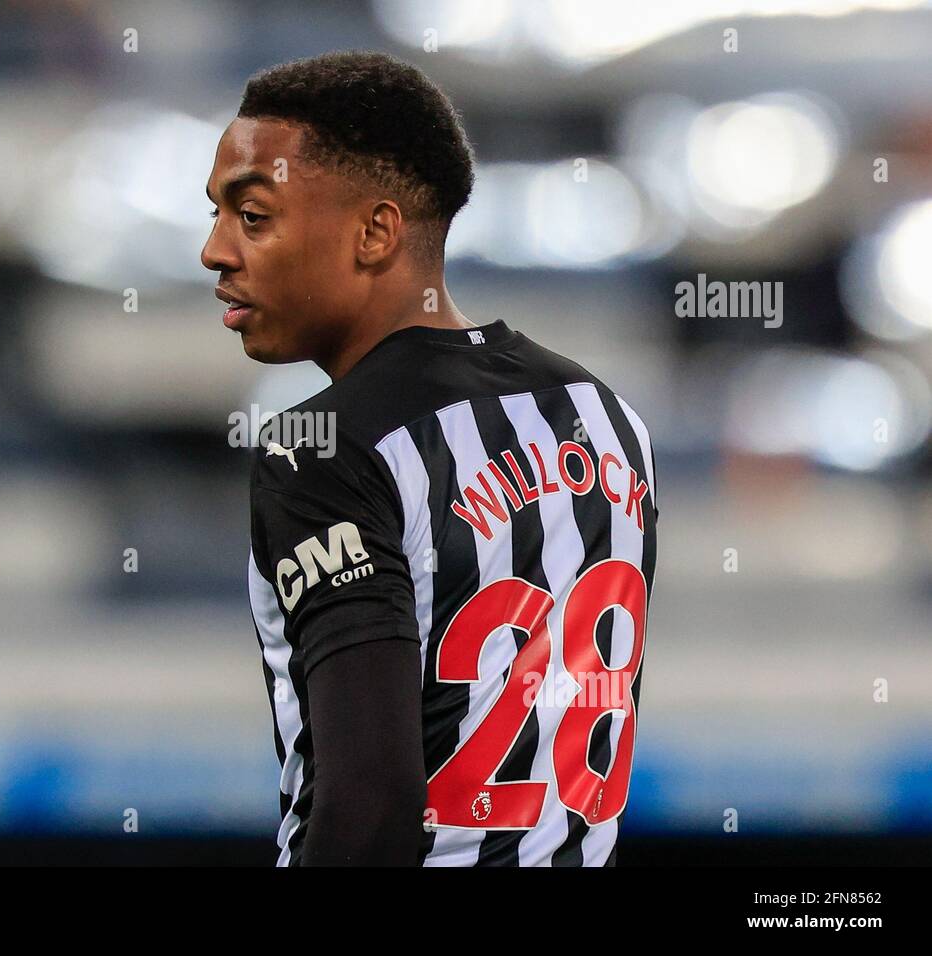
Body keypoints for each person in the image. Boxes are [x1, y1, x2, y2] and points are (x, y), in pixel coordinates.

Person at [202, 50, 658, 866]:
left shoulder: (325, 448)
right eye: (217, 215)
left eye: (253, 215)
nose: (215, 251)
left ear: (375, 232)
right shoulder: (609, 417)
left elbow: (371, 808)